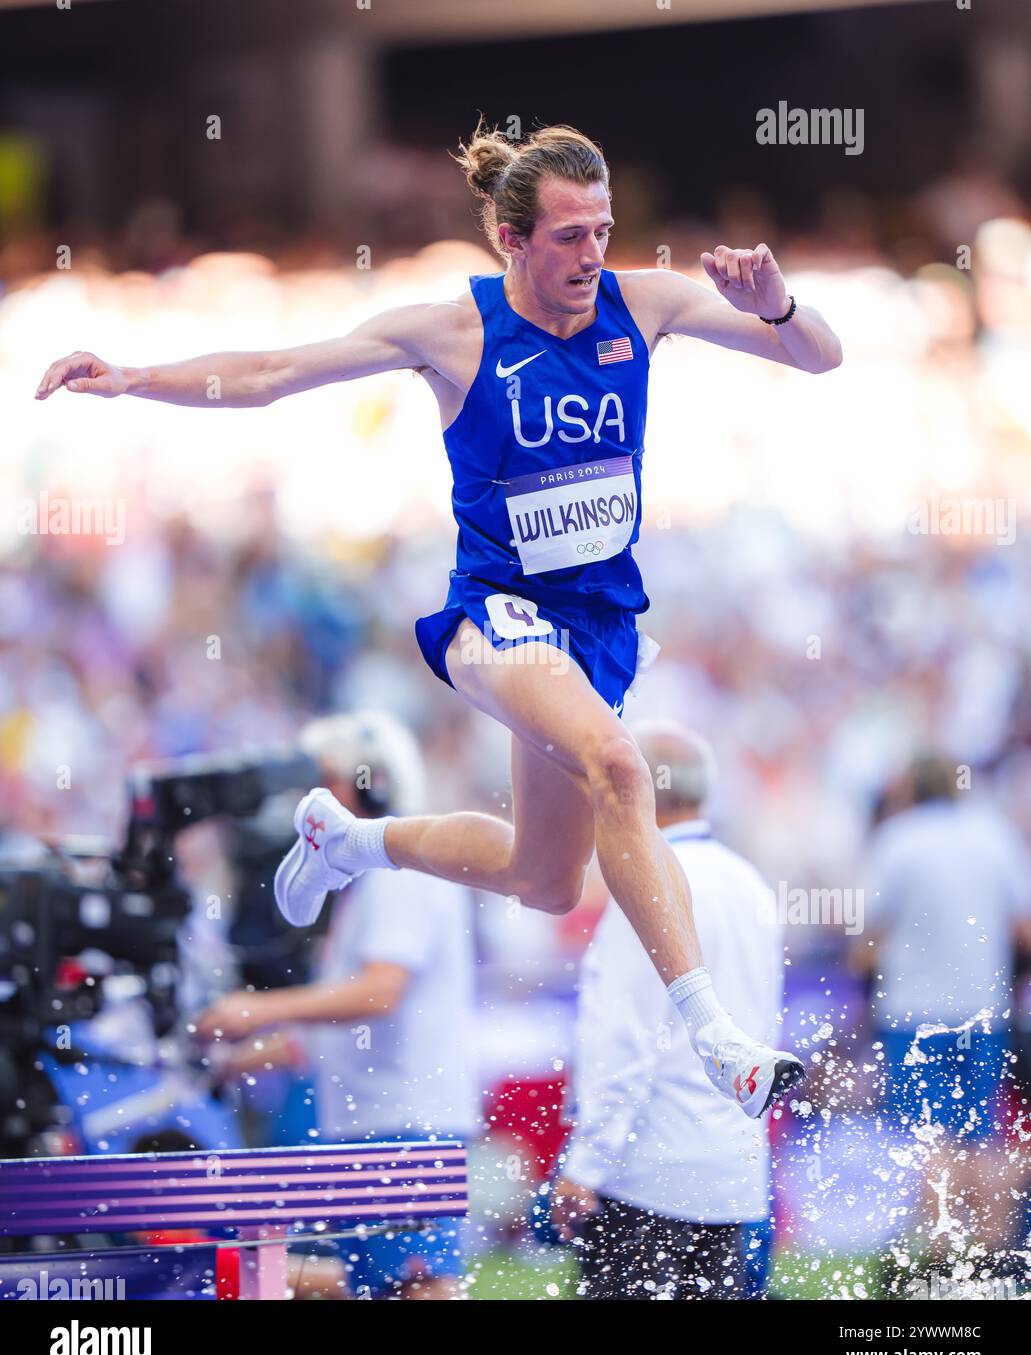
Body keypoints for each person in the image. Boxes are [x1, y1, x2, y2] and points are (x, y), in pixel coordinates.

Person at [36, 121, 843, 1116]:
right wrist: (133, 378)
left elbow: (818, 359)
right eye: (566, 237)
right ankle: (714, 1032)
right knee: (622, 766)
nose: (591, 255)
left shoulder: (647, 302)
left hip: (596, 625)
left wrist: (778, 305)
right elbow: (272, 372)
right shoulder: (451, 333)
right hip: (492, 615)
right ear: (510, 240)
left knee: (544, 879)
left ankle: (350, 842)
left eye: (601, 230)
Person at [195, 710, 478, 1300]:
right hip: (379, 1123)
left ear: (368, 783)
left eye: (323, 780)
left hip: (403, 1124)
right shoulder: (372, 876)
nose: (307, 799)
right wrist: (235, 1056)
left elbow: (379, 992)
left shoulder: (402, 871)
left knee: (419, 1287)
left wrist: (259, 1009)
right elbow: (332, 1032)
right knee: (371, 1284)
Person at [551, 720, 784, 1299]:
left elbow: (623, 1038)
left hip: (648, 1171)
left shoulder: (644, 882)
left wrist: (586, 1165)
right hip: (730, 1173)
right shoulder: (750, 884)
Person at [856, 753, 1031, 1266]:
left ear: (910, 786)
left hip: (914, 1012)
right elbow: (1022, 926)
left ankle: (939, 1259)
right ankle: (990, 1256)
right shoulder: (995, 835)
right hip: (984, 1009)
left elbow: (868, 932)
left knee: (928, 1136)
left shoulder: (899, 838)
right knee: (980, 1134)